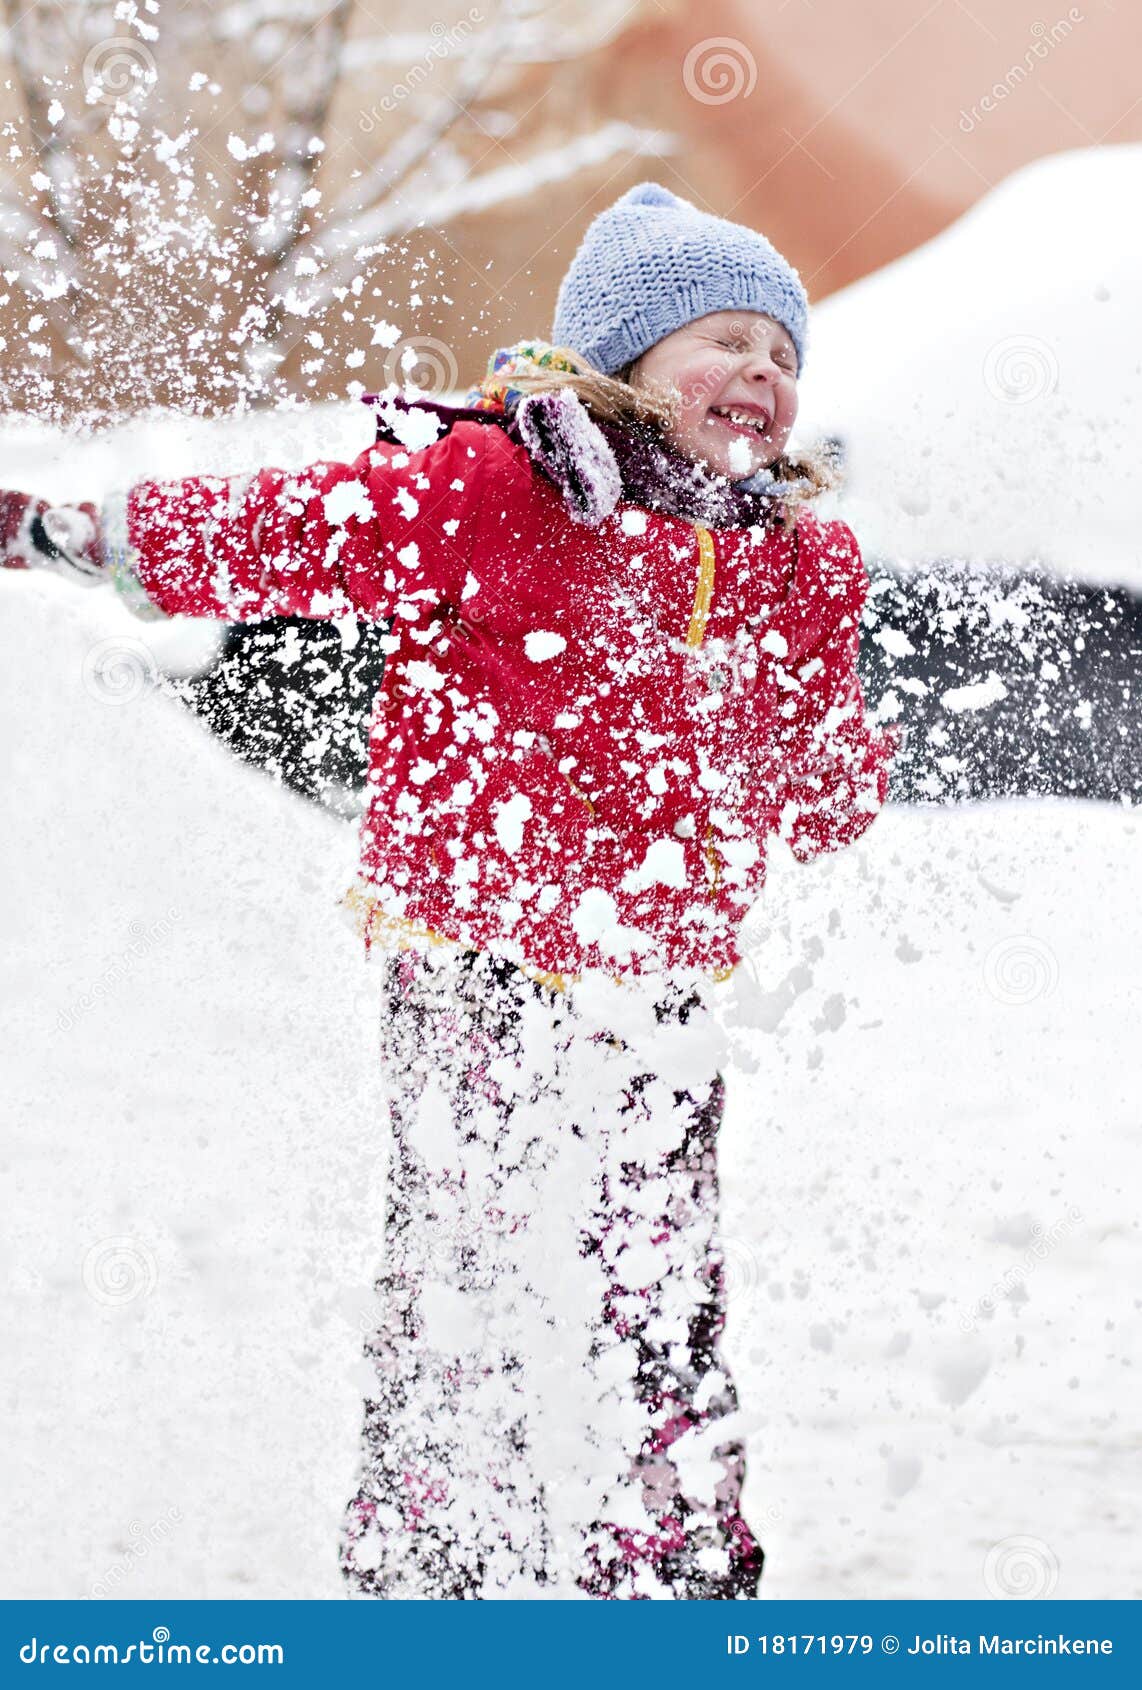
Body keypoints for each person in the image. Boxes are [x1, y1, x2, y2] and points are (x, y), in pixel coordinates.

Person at [1, 181, 898, 1599]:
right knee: (469, 1263)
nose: (762, 372)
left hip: (662, 988)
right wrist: (81, 535)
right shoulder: (498, 486)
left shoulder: (791, 558)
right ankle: (436, 1565)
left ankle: (671, 1572)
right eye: (724, 340)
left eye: (783, 354)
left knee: (658, 1279)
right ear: (626, 358)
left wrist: (836, 760)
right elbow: (295, 526)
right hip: (478, 953)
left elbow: (815, 756)